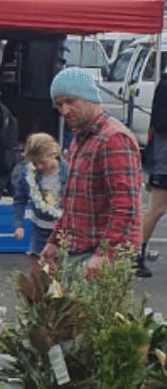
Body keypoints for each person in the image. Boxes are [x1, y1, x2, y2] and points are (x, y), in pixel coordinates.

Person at [40, 67, 143, 279]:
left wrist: (105, 253)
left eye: (70, 101)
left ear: (89, 97)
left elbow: (125, 206)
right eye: (59, 105)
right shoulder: (81, 138)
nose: (65, 110)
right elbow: (72, 201)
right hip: (80, 251)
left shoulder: (113, 138)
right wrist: (54, 240)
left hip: (102, 255)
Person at [12, 133, 68, 272]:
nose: (39, 166)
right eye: (35, 163)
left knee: (58, 271)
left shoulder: (69, 172)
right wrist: (19, 224)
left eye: (43, 162)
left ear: (53, 153)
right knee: (37, 268)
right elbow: (19, 198)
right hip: (40, 228)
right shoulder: (28, 173)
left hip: (64, 229)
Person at [139, 70, 167, 277]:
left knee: (156, 209)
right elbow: (160, 122)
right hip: (164, 158)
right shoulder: (165, 86)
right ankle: (135, 255)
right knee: (156, 209)